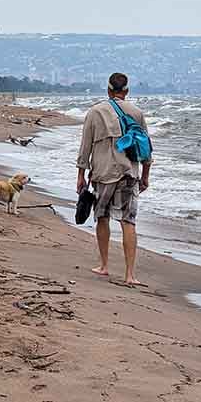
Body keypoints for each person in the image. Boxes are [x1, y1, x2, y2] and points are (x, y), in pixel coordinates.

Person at [76, 72, 152, 285]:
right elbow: (146, 149)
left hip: (103, 173)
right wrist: (145, 177)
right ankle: (130, 275)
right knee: (128, 222)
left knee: (102, 217)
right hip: (129, 173)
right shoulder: (137, 112)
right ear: (126, 91)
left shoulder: (95, 111)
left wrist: (80, 176)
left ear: (108, 90)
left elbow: (85, 148)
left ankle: (104, 265)